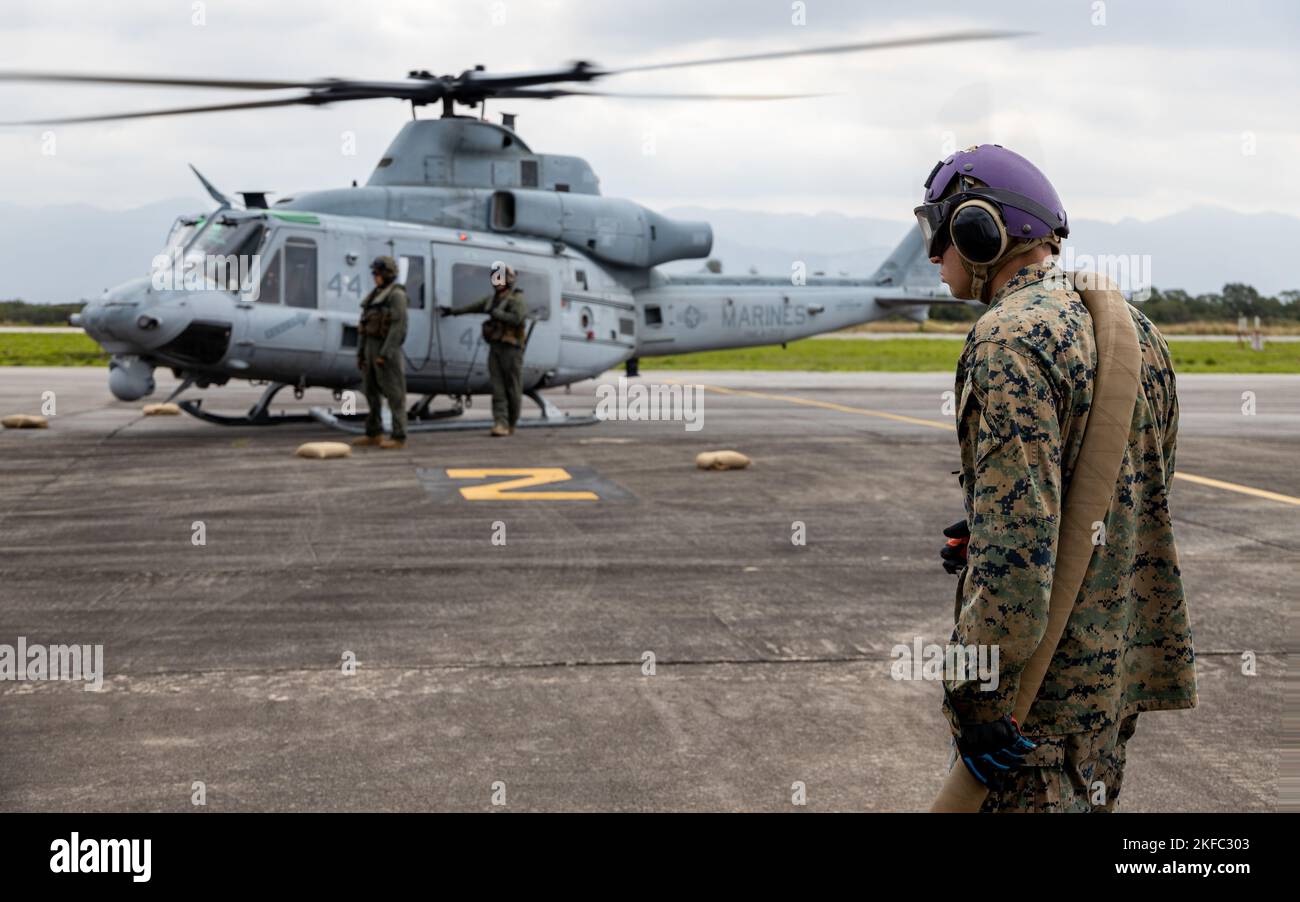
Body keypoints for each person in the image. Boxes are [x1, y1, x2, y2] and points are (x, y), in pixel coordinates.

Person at [915, 144, 1196, 811]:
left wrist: (978, 693)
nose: (933, 255)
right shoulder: (1138, 332)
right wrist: (990, 517)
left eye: (938, 231)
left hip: (1035, 707)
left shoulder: (1008, 338)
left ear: (977, 230)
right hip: (1109, 684)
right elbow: (1136, 491)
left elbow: (1016, 557)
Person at [441, 265, 527, 436]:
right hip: (495, 347)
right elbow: (473, 307)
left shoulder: (516, 299)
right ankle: (500, 422)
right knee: (498, 387)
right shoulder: (491, 300)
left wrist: (497, 314)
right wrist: (452, 312)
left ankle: (511, 421)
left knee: (513, 388)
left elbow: (518, 319)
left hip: (512, 350)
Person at [353, 256, 408, 449]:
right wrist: (361, 354)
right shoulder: (374, 296)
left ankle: (399, 435)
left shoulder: (396, 296)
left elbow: (397, 328)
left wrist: (385, 354)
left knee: (394, 394)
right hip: (370, 348)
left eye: (377, 273)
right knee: (370, 392)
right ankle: (374, 432)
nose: (374, 277)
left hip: (386, 351)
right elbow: (364, 327)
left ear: (387, 274)